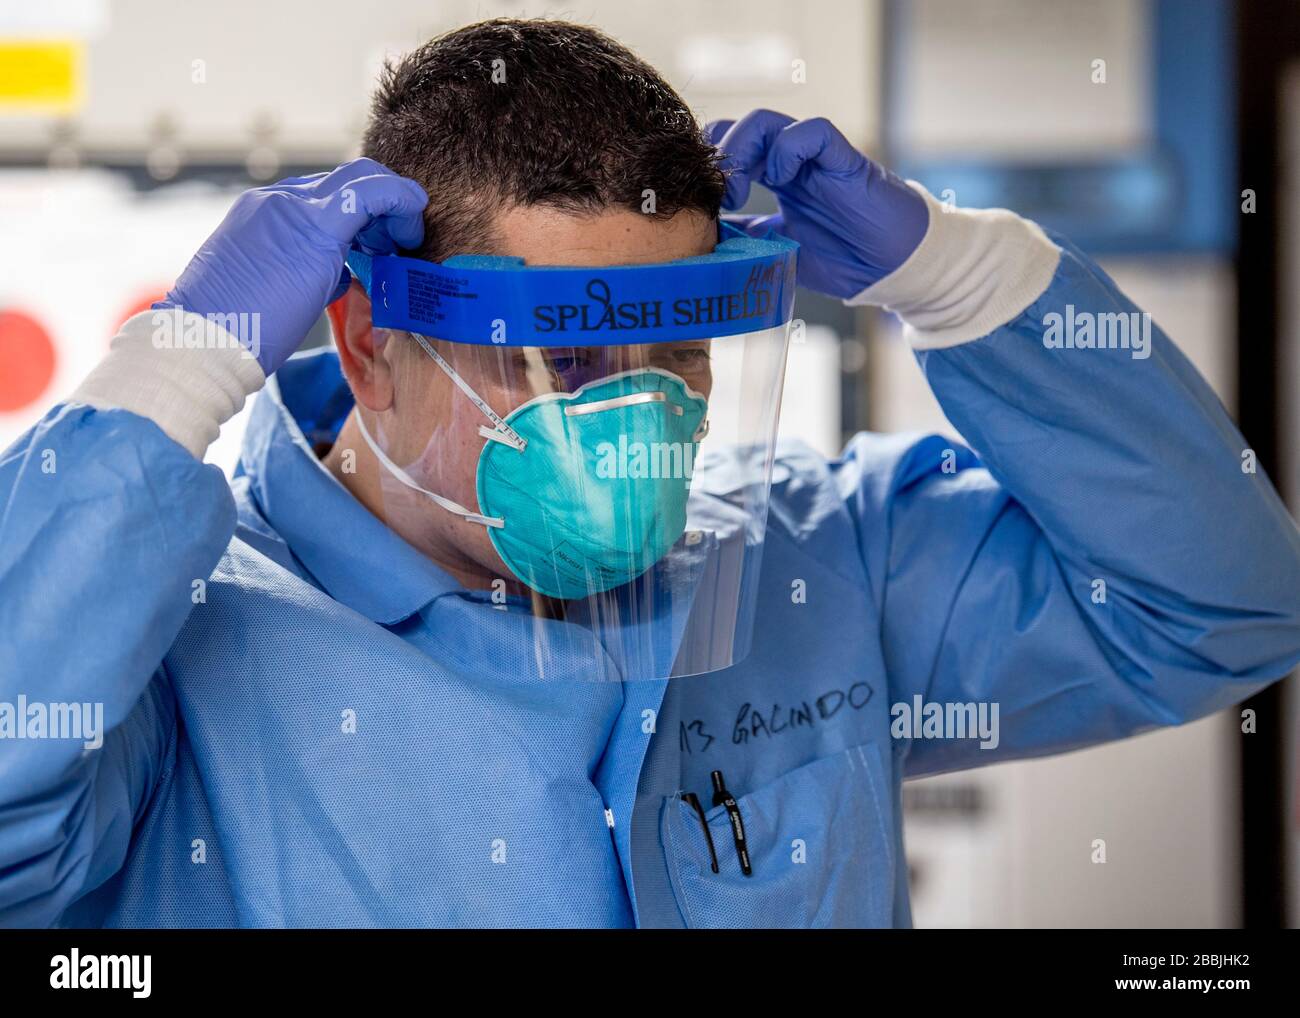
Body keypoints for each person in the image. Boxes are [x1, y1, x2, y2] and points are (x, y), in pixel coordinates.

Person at [1, 18, 1297, 929]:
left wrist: (963, 278)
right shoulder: (167, 659)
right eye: (561, 360)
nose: (639, 412)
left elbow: (1224, 606)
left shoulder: (815, 561)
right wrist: (174, 368)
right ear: (369, 343)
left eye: (677, 344)